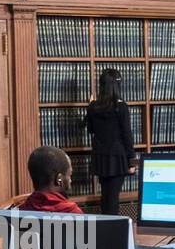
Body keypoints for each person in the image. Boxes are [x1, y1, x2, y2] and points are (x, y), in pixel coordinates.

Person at [85, 68, 135, 216]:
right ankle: (112, 230)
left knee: (106, 196)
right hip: (117, 156)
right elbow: (127, 135)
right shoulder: (121, 107)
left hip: (100, 156)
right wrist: (131, 161)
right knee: (113, 196)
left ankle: (105, 226)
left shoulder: (93, 107)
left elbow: (91, 130)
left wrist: (90, 107)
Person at [19, 145, 83, 214]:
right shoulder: (74, 213)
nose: (70, 180)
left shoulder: (20, 211)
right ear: (59, 179)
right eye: (69, 175)